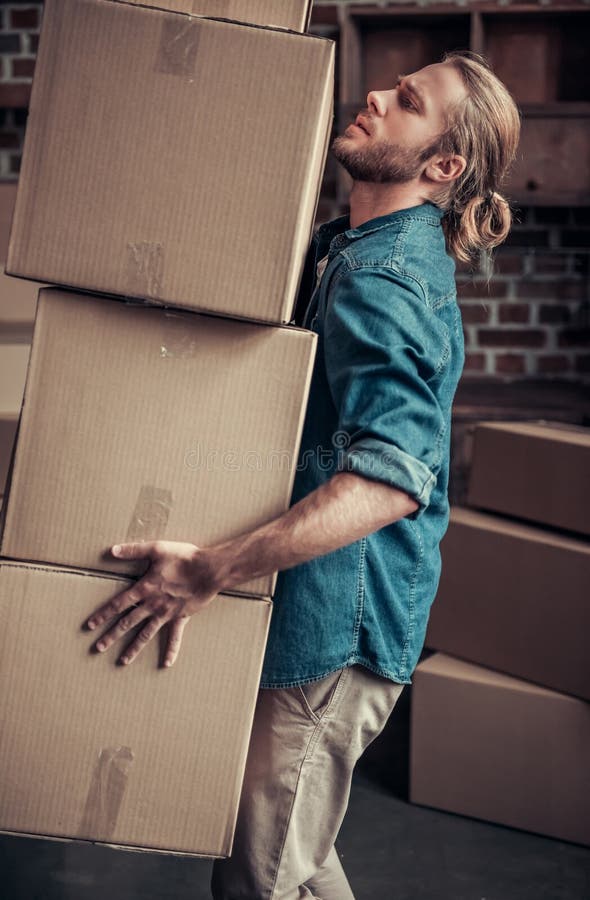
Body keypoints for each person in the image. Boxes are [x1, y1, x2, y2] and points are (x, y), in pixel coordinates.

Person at [86, 51, 520, 899]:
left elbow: (392, 480)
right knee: (295, 862)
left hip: (340, 633)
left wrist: (210, 571)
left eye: (407, 102)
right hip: (321, 618)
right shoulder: (354, 248)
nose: (377, 97)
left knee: (258, 877)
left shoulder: (383, 278)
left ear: (442, 166)